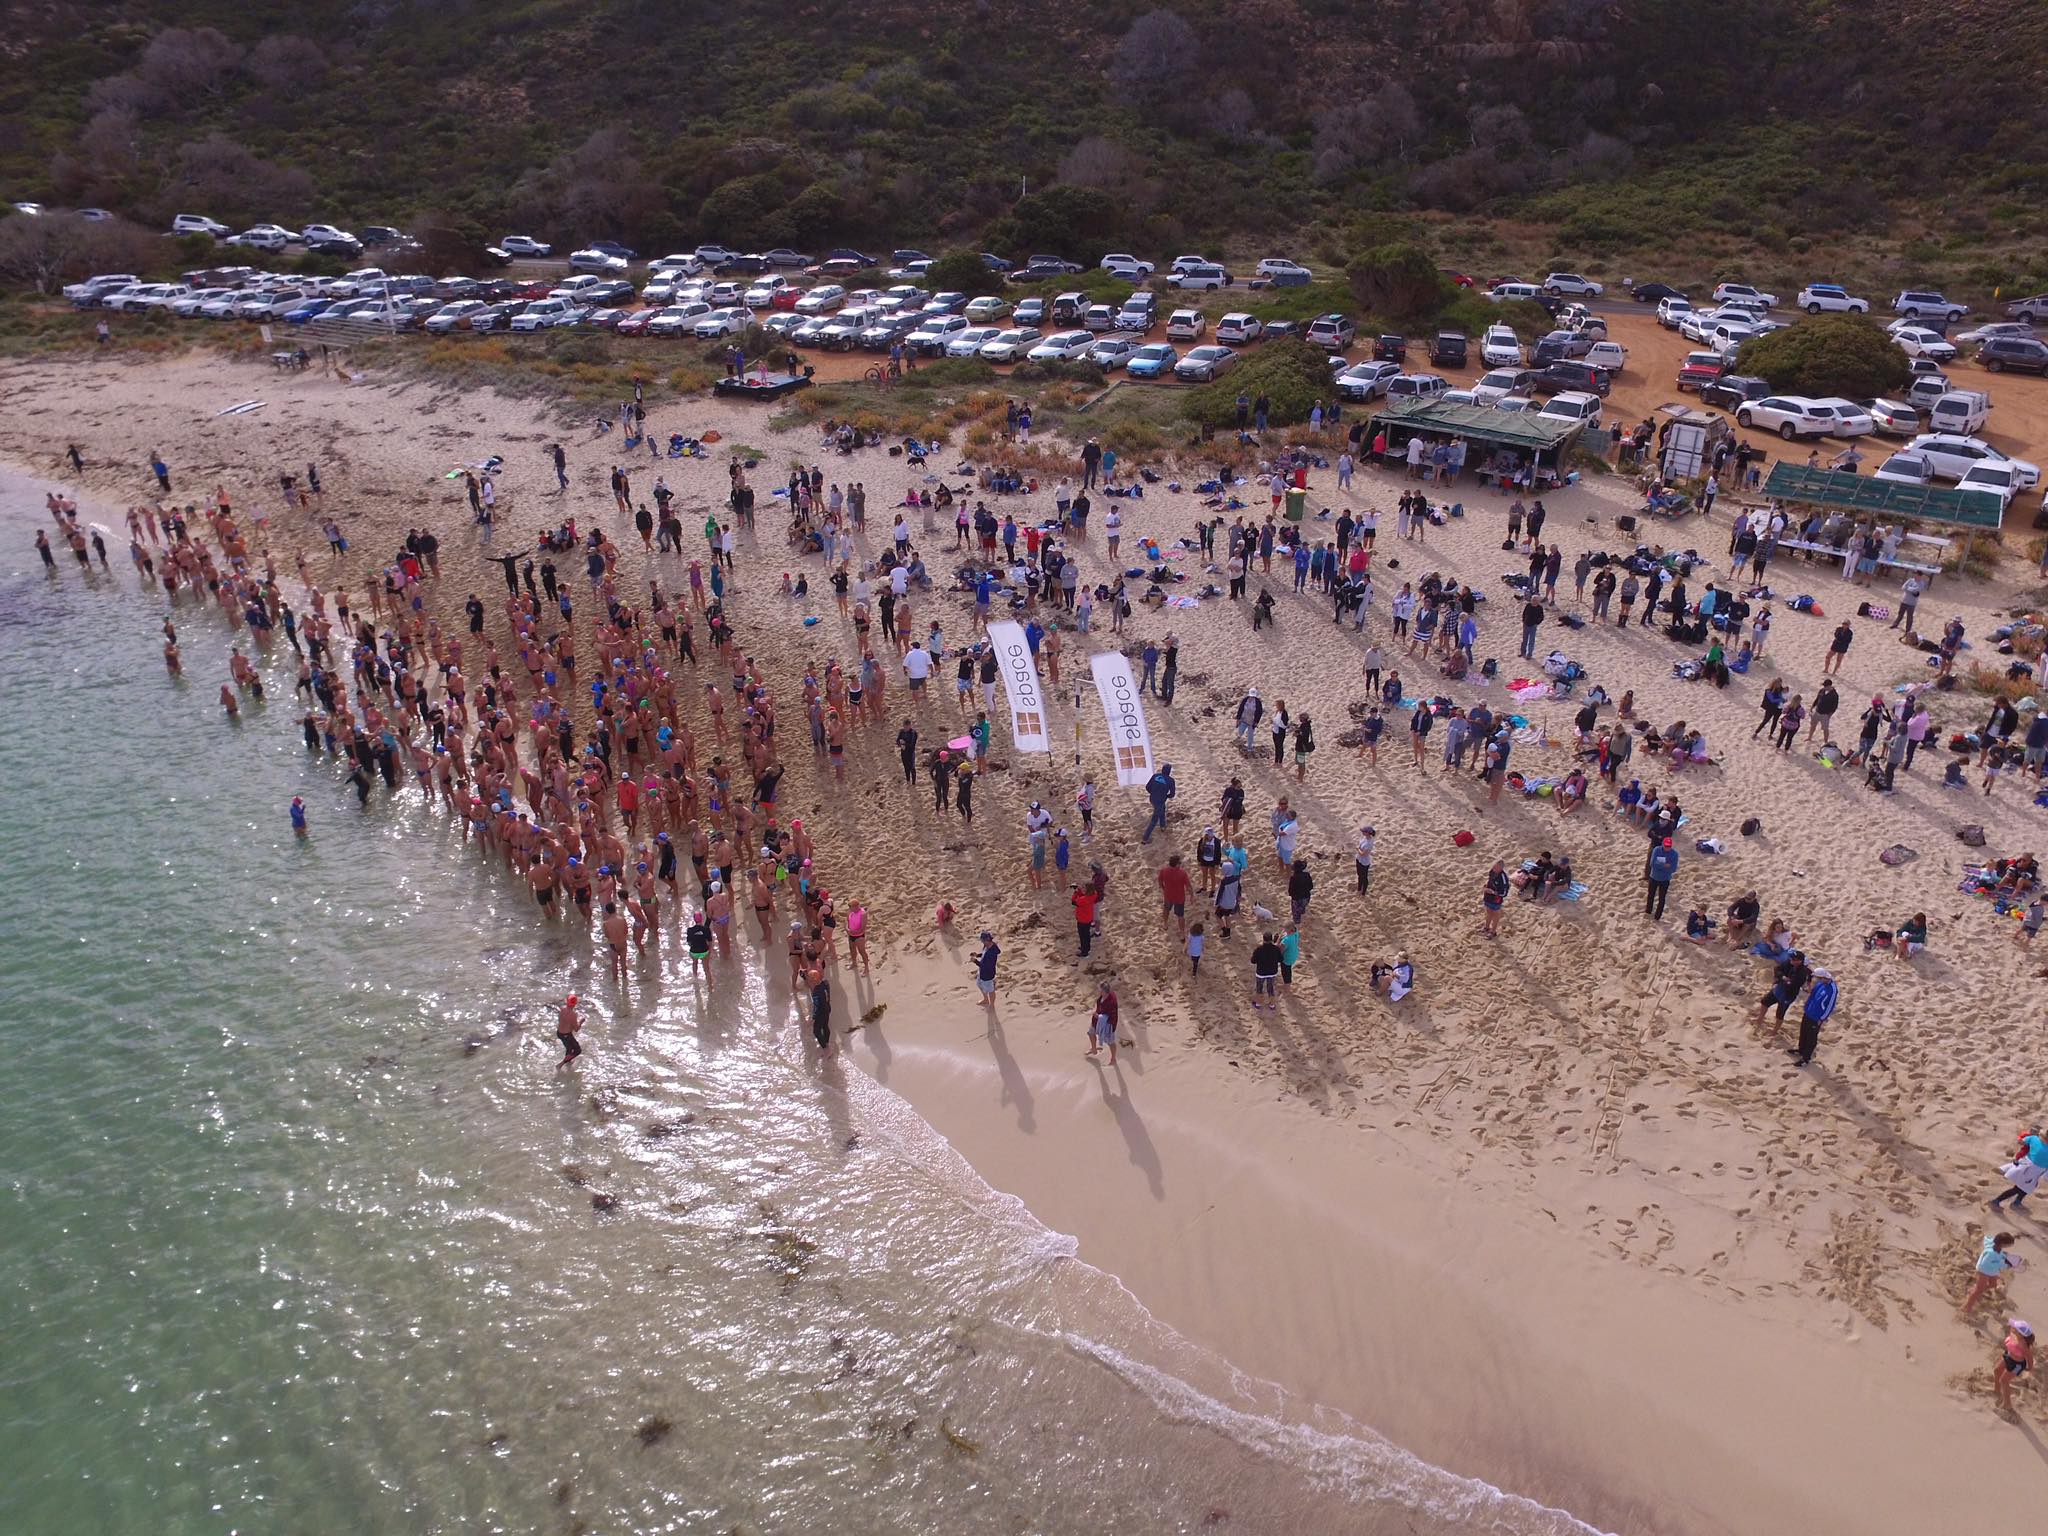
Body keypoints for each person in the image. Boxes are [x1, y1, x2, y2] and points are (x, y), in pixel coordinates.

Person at [1963, 1233, 2024, 1316]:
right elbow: (1984, 1264)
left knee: (1993, 1284)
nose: (2009, 1246)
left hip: (1992, 1271)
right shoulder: (1991, 1253)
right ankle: (1967, 1307)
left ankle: (1974, 1290)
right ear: (2002, 1244)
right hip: (1984, 1271)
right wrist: (2005, 1264)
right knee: (1978, 1290)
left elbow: (1988, 1239)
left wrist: (2009, 1259)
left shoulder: (1995, 1245)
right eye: (2008, 1244)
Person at [1790, 966, 1836, 1066]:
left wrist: (1822, 1018)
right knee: (1803, 1032)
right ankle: (1801, 1050)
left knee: (1811, 1038)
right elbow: (1812, 994)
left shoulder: (1832, 990)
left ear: (1823, 977)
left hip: (1816, 1017)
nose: (1816, 980)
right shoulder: (1820, 983)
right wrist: (1806, 1005)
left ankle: (1806, 1059)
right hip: (1808, 1012)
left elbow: (1830, 1006)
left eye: (1818, 978)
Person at [1142, 762, 1177, 844]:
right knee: (1154, 820)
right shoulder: (1171, 781)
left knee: (1162, 809)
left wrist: (1153, 793)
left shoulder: (1155, 776)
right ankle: (1145, 838)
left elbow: (1147, 787)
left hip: (1152, 799)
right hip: (1160, 800)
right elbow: (1172, 794)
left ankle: (1162, 825)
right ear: (1169, 771)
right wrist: (1166, 796)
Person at [1644, 836, 1678, 919]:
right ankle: (1648, 911)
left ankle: (1657, 916)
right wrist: (1665, 865)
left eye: (1669, 846)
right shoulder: (1657, 850)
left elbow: (1673, 869)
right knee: (1650, 895)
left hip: (1665, 879)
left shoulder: (1674, 854)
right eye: (1666, 846)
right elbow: (1652, 864)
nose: (1667, 848)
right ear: (1663, 844)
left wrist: (1659, 865)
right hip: (1654, 877)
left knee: (1662, 898)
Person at [1086, 983, 1120, 1063]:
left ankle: (1113, 1058)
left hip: (1107, 1026)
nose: (1099, 992)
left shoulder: (1111, 1002)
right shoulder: (1104, 996)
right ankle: (1094, 1049)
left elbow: (1111, 1016)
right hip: (1096, 1021)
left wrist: (1099, 1017)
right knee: (1091, 1033)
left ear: (1105, 992)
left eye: (1101, 991)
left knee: (1110, 1042)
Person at [1158, 855, 1191, 937]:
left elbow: (1159, 880)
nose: (1180, 864)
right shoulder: (1182, 873)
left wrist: (1163, 888)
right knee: (1180, 915)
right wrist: (1192, 895)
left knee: (1166, 909)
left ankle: (1165, 923)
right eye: (1179, 863)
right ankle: (1182, 932)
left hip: (1168, 895)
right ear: (1176, 864)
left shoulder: (1164, 870)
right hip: (1179, 897)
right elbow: (1188, 886)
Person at [1250, 932, 1284, 1011]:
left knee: (1259, 988)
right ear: (1271, 940)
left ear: (1263, 940)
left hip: (1261, 973)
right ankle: (1272, 1005)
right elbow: (1281, 960)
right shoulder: (1276, 949)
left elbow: (1253, 961)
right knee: (1270, 989)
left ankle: (1258, 1003)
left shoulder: (1259, 949)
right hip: (1272, 972)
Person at [1480, 860, 1508, 938]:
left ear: (1500, 869)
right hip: (1487, 896)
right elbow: (1489, 881)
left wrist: (1493, 892)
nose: (1493, 868)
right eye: (1494, 866)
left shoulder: (1503, 878)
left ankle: (1493, 931)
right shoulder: (1492, 871)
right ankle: (1486, 927)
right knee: (1488, 911)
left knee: (1495, 914)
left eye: (1495, 867)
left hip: (1496, 899)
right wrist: (1485, 887)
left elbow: (1504, 893)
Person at [556, 993, 584, 1066]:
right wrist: (581, 1022)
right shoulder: (573, 1014)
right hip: (566, 1035)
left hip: (559, 1033)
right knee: (578, 1050)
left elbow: (561, 1020)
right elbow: (576, 1029)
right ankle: (561, 1064)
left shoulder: (562, 1009)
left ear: (567, 1001)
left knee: (569, 1049)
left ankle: (568, 1062)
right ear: (575, 1004)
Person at [974, 931, 1000, 1007]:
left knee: (990, 990)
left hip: (987, 974)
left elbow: (984, 966)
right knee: (979, 985)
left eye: (982, 940)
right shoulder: (989, 946)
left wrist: (975, 961)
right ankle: (985, 999)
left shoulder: (990, 954)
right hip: (982, 972)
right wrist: (978, 955)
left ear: (986, 941)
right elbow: (984, 954)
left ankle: (992, 1005)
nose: (982, 942)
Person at [1072, 884, 1099, 957]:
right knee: (1087, 934)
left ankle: (1084, 952)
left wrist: (1076, 892)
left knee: (1082, 936)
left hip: (1082, 920)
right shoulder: (1094, 895)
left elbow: (1073, 901)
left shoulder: (1082, 900)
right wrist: (1080, 891)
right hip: (1089, 918)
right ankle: (1087, 948)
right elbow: (1084, 896)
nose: (1082, 889)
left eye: (1084, 888)